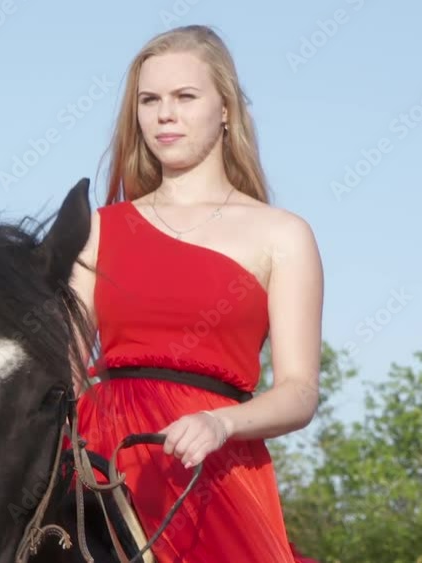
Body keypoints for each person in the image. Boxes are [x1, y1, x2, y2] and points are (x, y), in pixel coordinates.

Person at [67, 24, 323, 563]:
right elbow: (63, 370)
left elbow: (299, 391)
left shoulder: (283, 234)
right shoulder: (98, 228)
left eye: (185, 97)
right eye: (150, 100)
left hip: (211, 469)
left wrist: (221, 423)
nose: (165, 114)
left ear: (225, 108)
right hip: (99, 459)